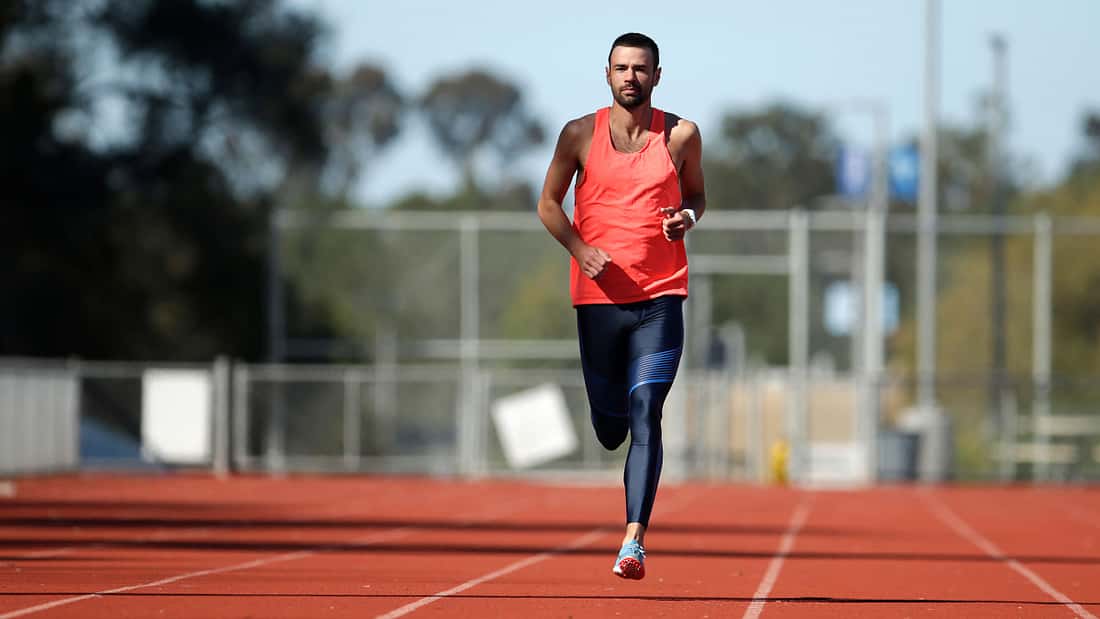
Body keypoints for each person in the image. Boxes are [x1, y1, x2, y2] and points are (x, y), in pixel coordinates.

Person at [536, 32, 705, 580]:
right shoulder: (579, 135)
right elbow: (547, 204)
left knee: (646, 412)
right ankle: (605, 421)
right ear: (606, 74)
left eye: (641, 68)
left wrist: (688, 218)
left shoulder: (681, 136)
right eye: (621, 67)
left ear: (658, 76)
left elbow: (697, 196)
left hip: (661, 298)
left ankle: (633, 540)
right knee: (611, 428)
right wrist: (580, 249)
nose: (631, 76)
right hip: (600, 303)